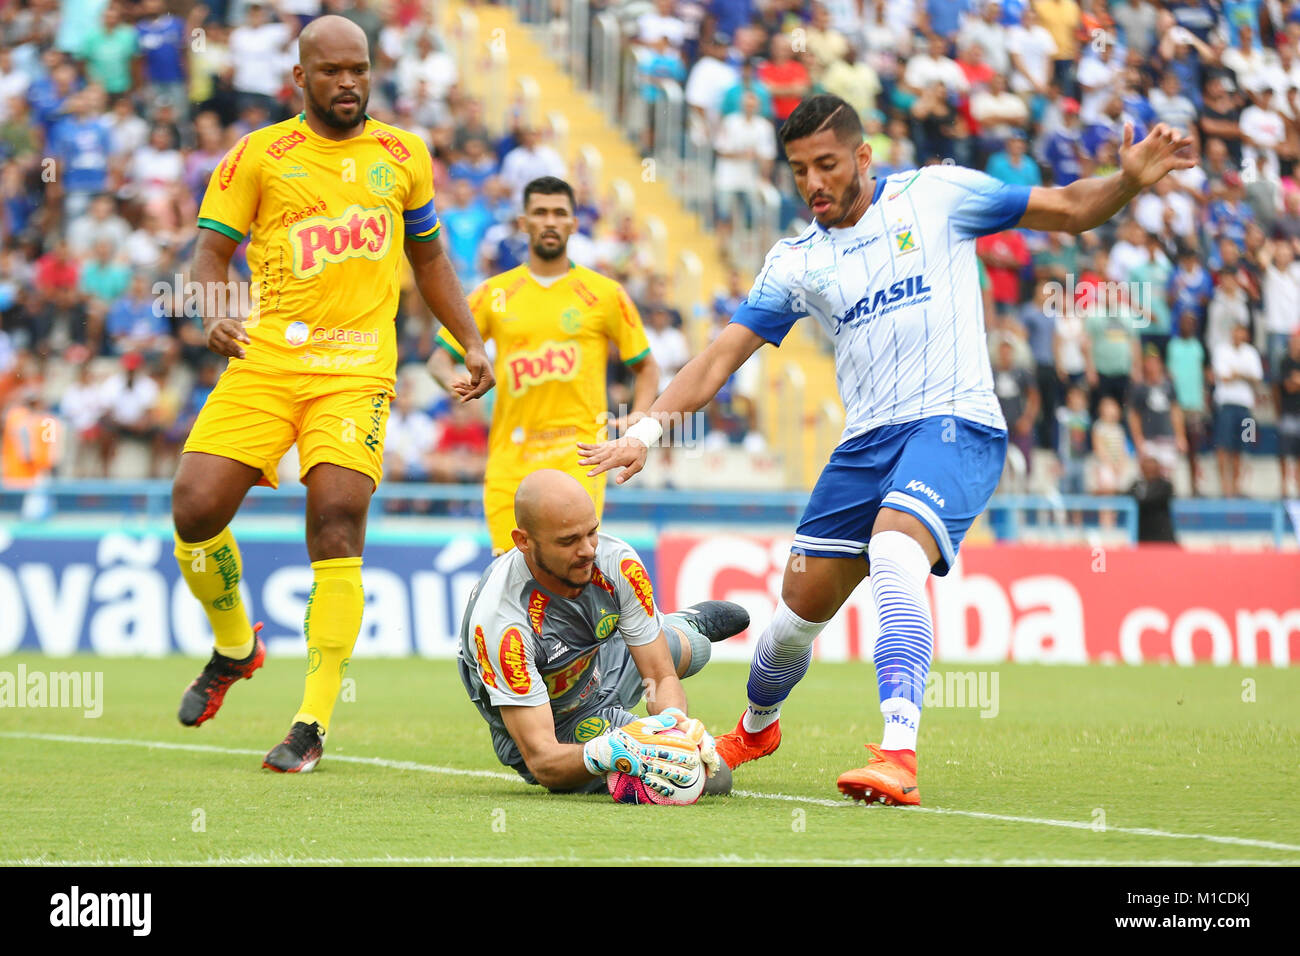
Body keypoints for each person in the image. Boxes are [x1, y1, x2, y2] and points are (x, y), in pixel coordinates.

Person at [580, 93, 1193, 804]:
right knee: (790, 622)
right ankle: (756, 727)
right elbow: (721, 355)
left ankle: (897, 751)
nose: (813, 183)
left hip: (954, 424)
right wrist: (650, 428)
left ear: (863, 157)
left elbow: (1067, 207)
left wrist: (1123, 182)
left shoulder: (937, 195)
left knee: (895, 550)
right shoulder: (797, 260)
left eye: (828, 165)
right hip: (865, 444)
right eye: (800, 169)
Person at [171, 16, 494, 772]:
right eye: (332, 71)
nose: (348, 83)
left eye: (360, 69)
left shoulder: (403, 153)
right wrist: (217, 314)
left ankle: (311, 721)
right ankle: (235, 644)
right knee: (194, 509)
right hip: (267, 359)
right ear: (300, 79)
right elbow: (210, 255)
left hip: (356, 370)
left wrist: (471, 340)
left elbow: (431, 257)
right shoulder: (258, 154)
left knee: (338, 519)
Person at [458, 469, 744, 795]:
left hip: (598, 657)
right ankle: (656, 640)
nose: (588, 550)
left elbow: (660, 678)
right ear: (523, 541)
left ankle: (679, 627)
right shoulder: (502, 624)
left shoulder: (616, 562)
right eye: (568, 541)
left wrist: (675, 727)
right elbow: (543, 759)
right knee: (707, 780)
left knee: (692, 649)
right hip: (560, 717)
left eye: (591, 532)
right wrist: (606, 753)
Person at [429, 176, 658, 554]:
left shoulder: (604, 294)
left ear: (573, 224)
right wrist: (454, 381)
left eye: (559, 213)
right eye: (540, 213)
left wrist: (639, 414)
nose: (549, 221)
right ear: (524, 223)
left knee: (570, 568)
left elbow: (646, 366)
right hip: (510, 461)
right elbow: (439, 359)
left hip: (579, 456)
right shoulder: (494, 294)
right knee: (511, 575)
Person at [1212, 321, 1263, 498]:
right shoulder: (1222, 350)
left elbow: (1256, 379)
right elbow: (1224, 377)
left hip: (1245, 407)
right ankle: (1225, 487)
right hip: (1226, 404)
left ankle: (1237, 486)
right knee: (1223, 446)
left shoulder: (1251, 352)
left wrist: (1238, 374)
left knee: (1242, 447)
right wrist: (1244, 375)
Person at [1277, 331, 1300, 499]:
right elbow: (1289, 387)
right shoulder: (1285, 362)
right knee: (1284, 452)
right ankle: (1284, 487)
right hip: (1288, 413)